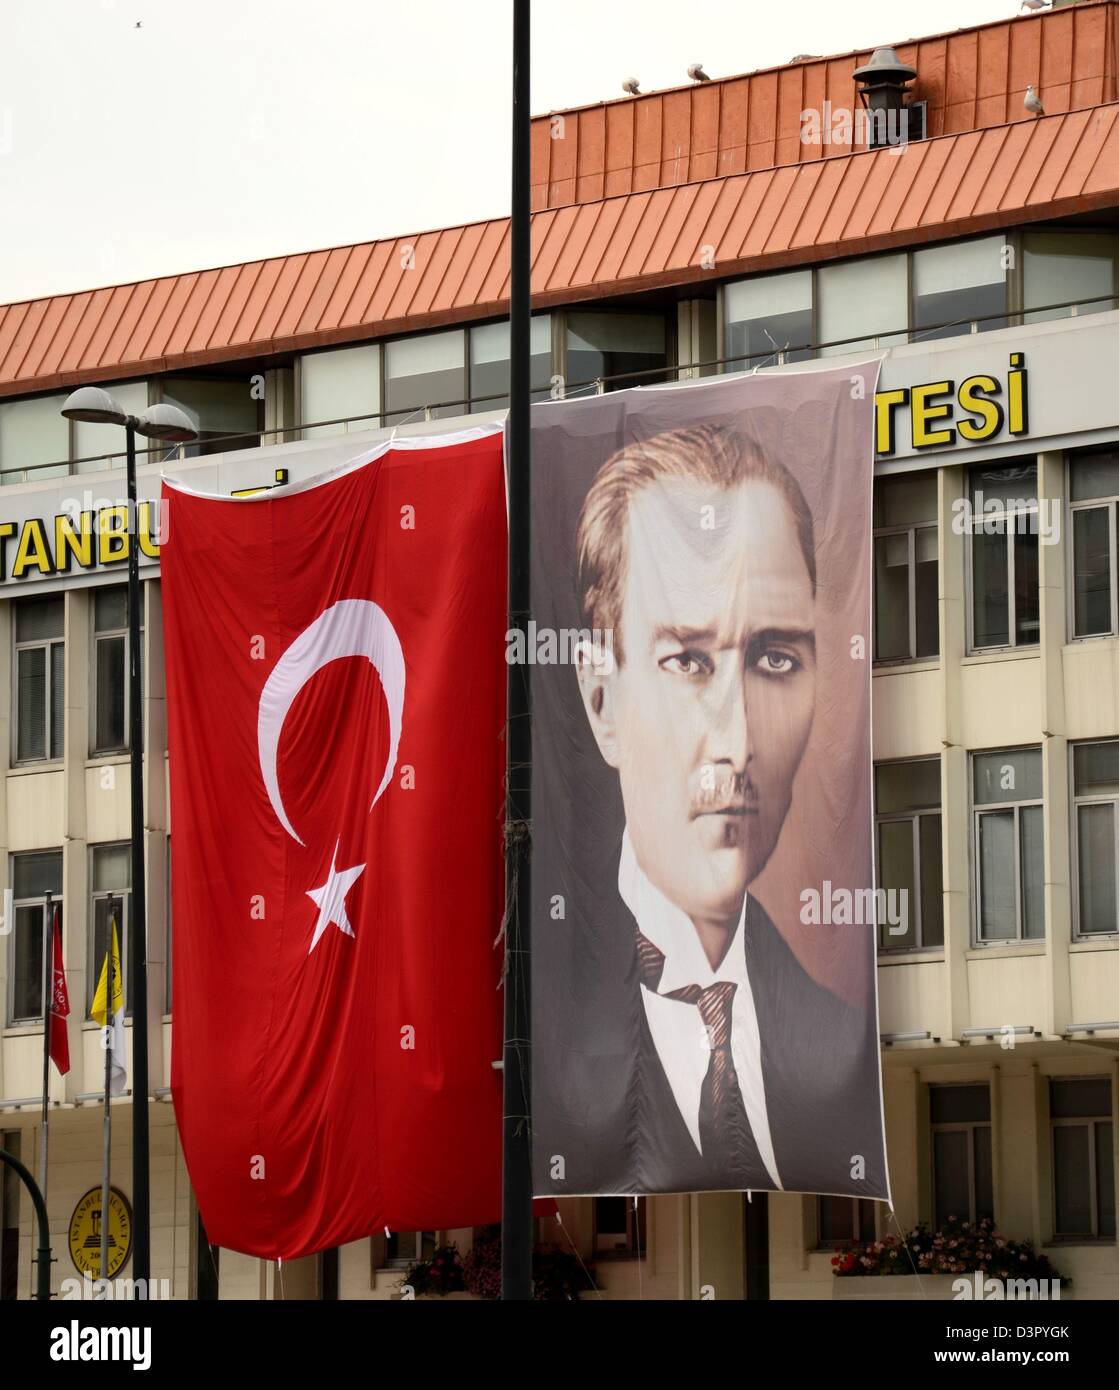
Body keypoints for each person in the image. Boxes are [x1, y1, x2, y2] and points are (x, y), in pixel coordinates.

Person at [550, 422, 883, 1196]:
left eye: (774, 659)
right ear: (601, 697)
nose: (736, 739)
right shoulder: (533, 1020)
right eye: (687, 660)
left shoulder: (836, 1032)